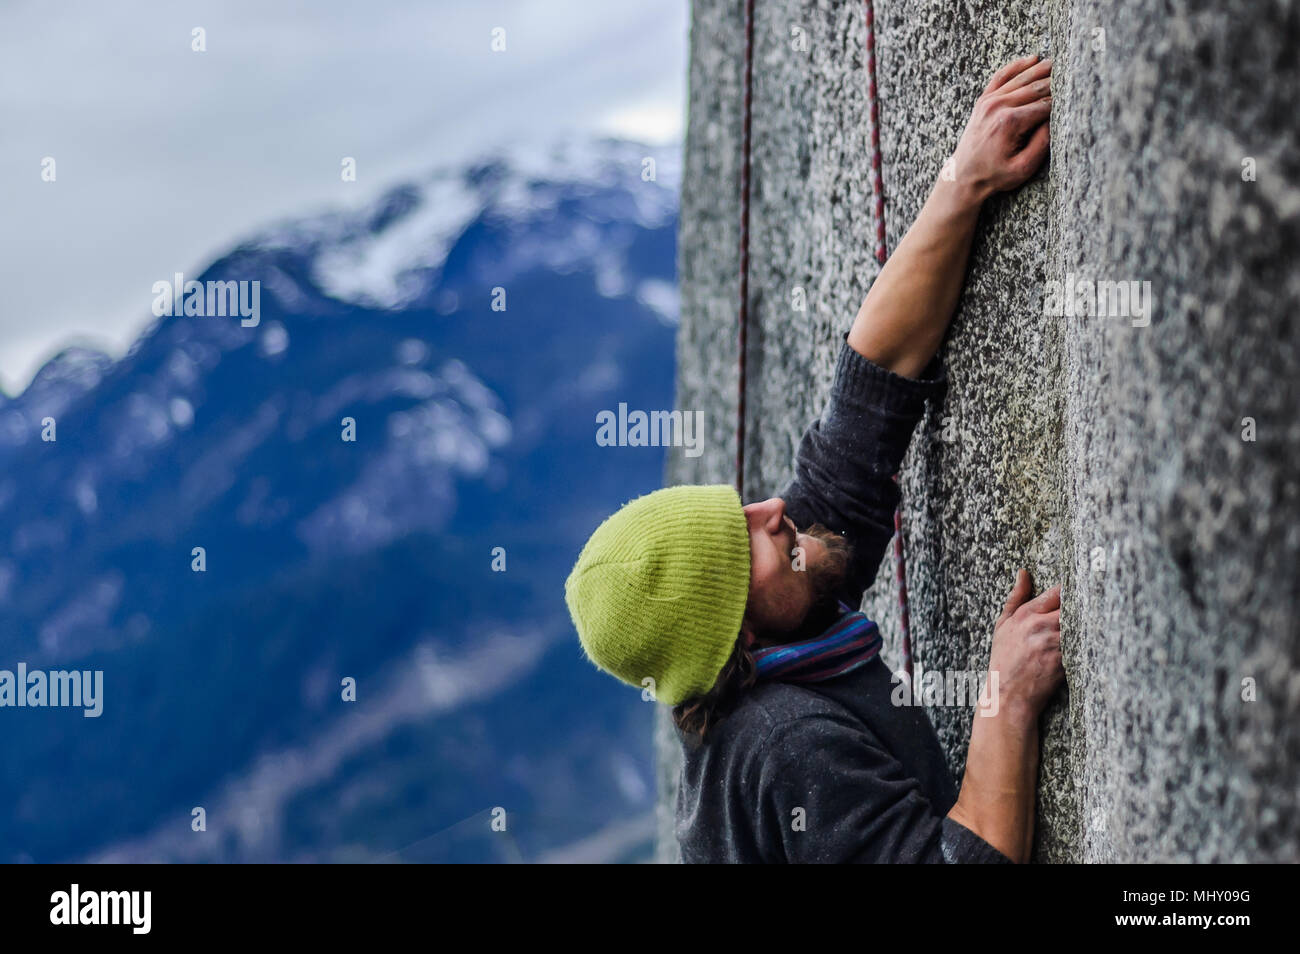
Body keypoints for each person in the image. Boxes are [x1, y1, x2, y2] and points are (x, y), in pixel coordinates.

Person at [565, 55, 1063, 863]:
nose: (773, 513)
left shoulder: (773, 631)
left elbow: (873, 386)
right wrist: (1006, 700)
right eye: (744, 543)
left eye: (743, 510)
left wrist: (964, 182)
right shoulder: (782, 745)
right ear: (738, 642)